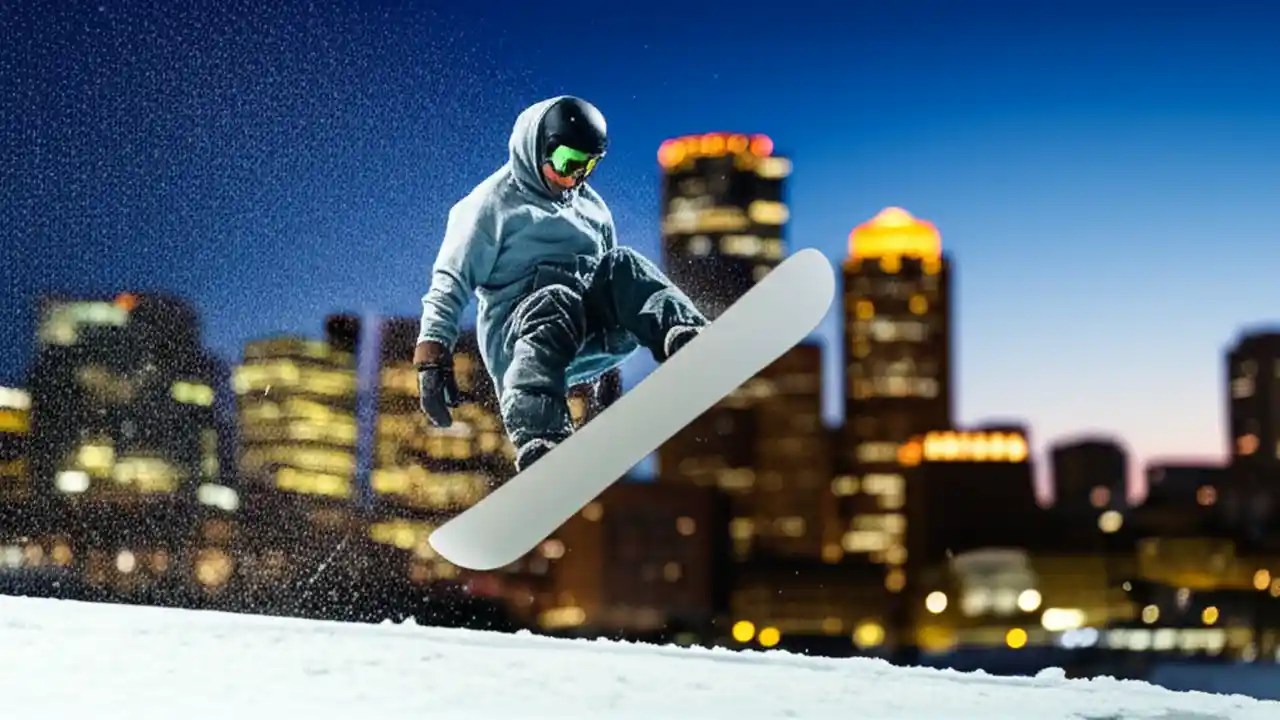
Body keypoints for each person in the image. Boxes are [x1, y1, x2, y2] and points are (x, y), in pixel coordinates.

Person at [413, 96, 707, 472]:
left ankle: (681, 333)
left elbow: (613, 285)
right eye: (568, 162)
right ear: (538, 147)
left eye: (588, 166)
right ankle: (539, 434)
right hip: (522, 343)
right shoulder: (489, 207)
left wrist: (607, 372)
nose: (575, 177)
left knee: (624, 262)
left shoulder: (592, 208)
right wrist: (432, 360)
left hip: (582, 332)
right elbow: (449, 283)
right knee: (556, 301)